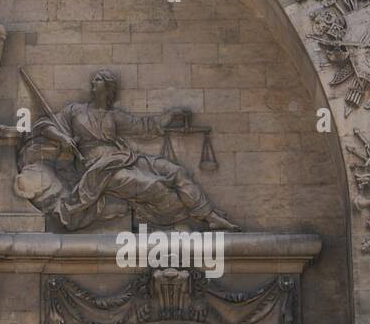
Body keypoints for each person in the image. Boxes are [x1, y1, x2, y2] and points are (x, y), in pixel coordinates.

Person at [22, 69, 238, 231]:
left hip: (123, 157)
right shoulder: (75, 111)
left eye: (98, 79)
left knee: (175, 171)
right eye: (93, 79)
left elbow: (143, 127)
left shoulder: (114, 116)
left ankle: (209, 216)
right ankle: (184, 216)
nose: (92, 82)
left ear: (107, 88)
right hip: (98, 168)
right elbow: (44, 125)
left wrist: (169, 116)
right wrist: (62, 137)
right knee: (152, 185)